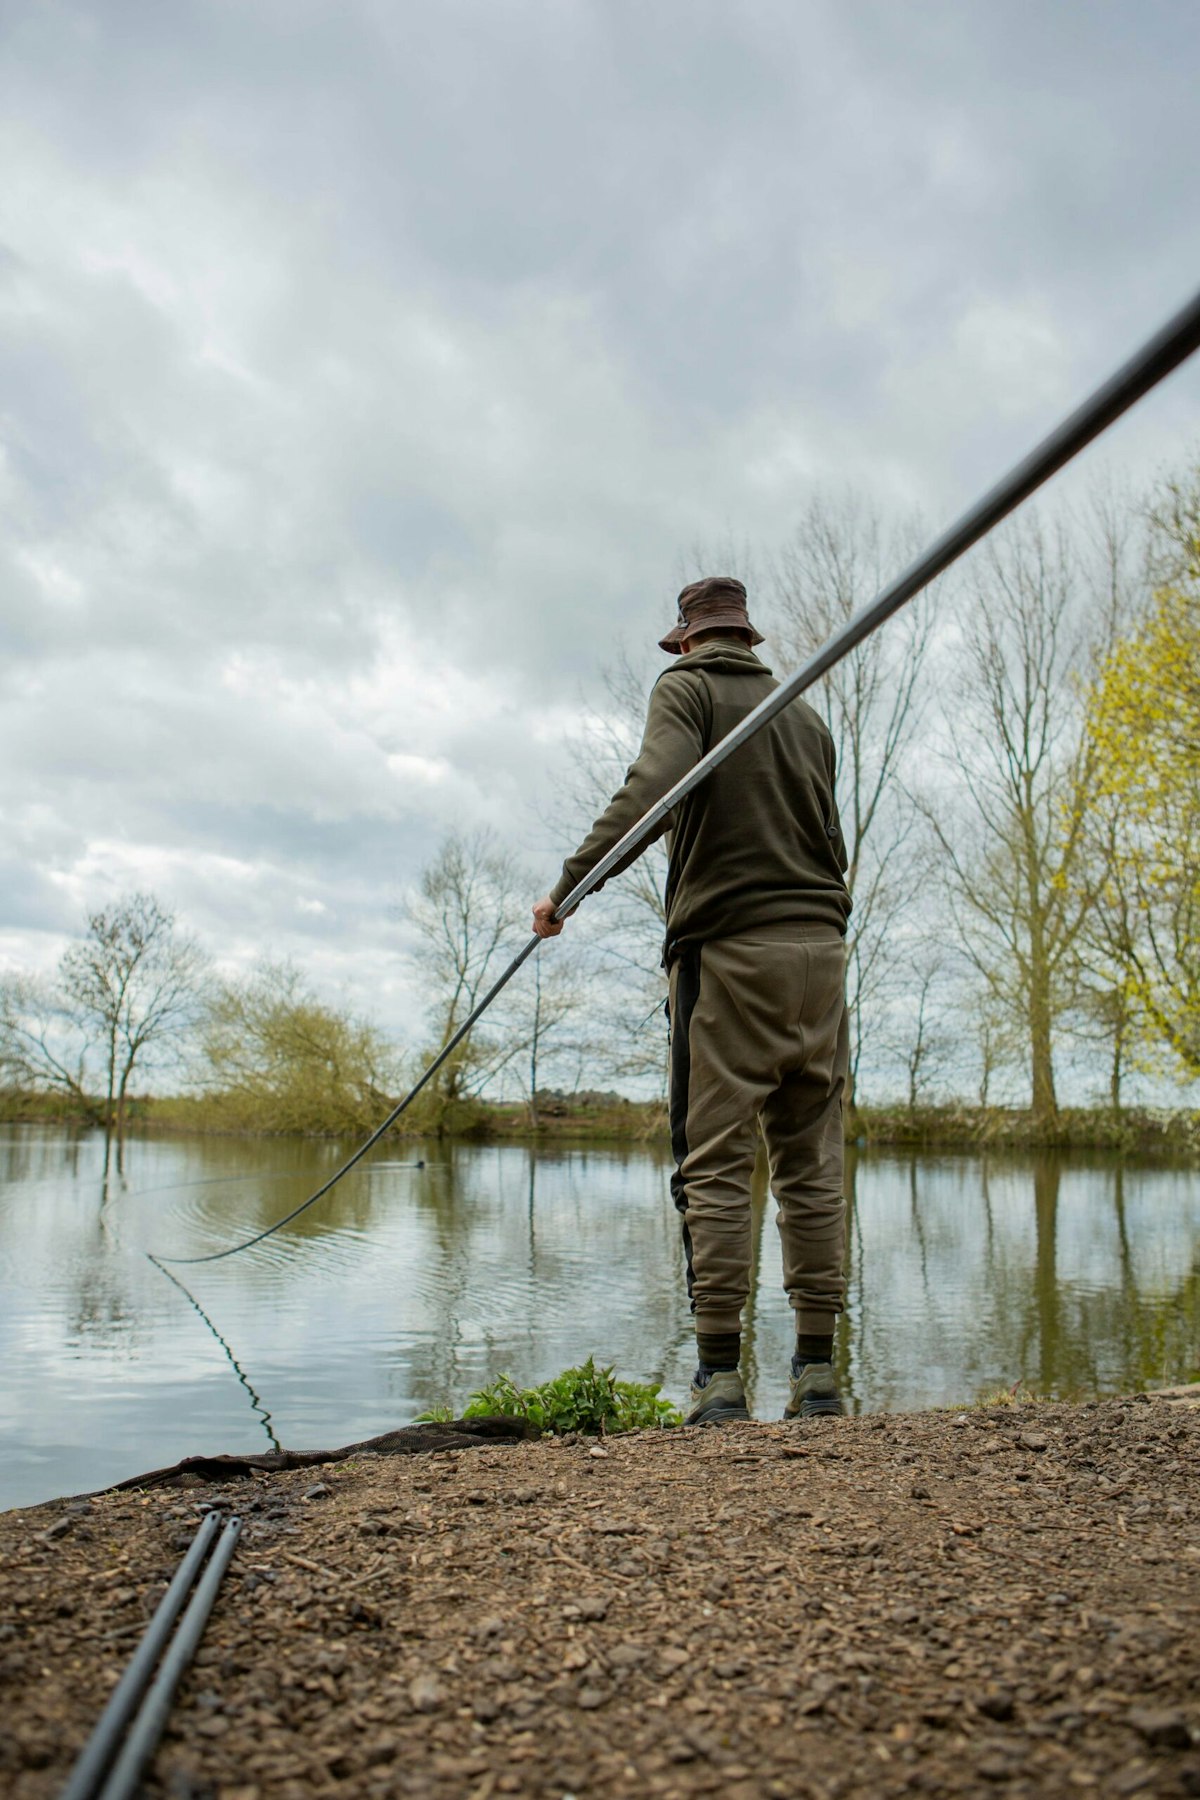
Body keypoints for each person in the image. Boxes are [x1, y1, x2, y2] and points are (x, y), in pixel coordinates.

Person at [532, 575, 852, 1425]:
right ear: (747, 637)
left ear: (686, 641)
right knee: (811, 1162)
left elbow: (652, 790)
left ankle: (719, 1378)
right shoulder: (806, 716)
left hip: (730, 958)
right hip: (822, 958)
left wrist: (570, 889)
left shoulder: (686, 691)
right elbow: (834, 843)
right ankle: (818, 1373)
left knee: (713, 1159)